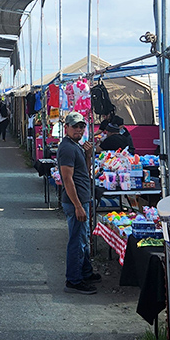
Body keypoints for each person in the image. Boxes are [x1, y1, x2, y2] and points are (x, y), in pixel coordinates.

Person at [56, 112, 100, 294]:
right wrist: (78, 205)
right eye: (75, 126)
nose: (79, 130)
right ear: (66, 127)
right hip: (76, 201)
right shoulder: (67, 148)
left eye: (82, 126)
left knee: (84, 238)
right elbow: (67, 179)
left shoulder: (76, 146)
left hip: (82, 198)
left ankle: (85, 272)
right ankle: (73, 280)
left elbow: (84, 172)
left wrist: (88, 155)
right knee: (77, 240)